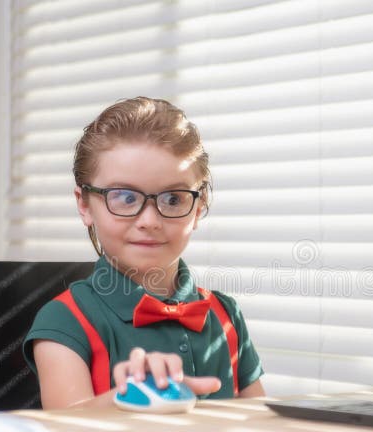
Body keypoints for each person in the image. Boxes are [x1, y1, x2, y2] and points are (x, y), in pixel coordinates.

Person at [23, 97, 265, 409]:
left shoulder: (225, 313)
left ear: (199, 206)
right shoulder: (64, 320)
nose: (149, 221)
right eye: (124, 197)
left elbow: (260, 427)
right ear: (84, 205)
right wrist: (133, 397)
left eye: (174, 199)